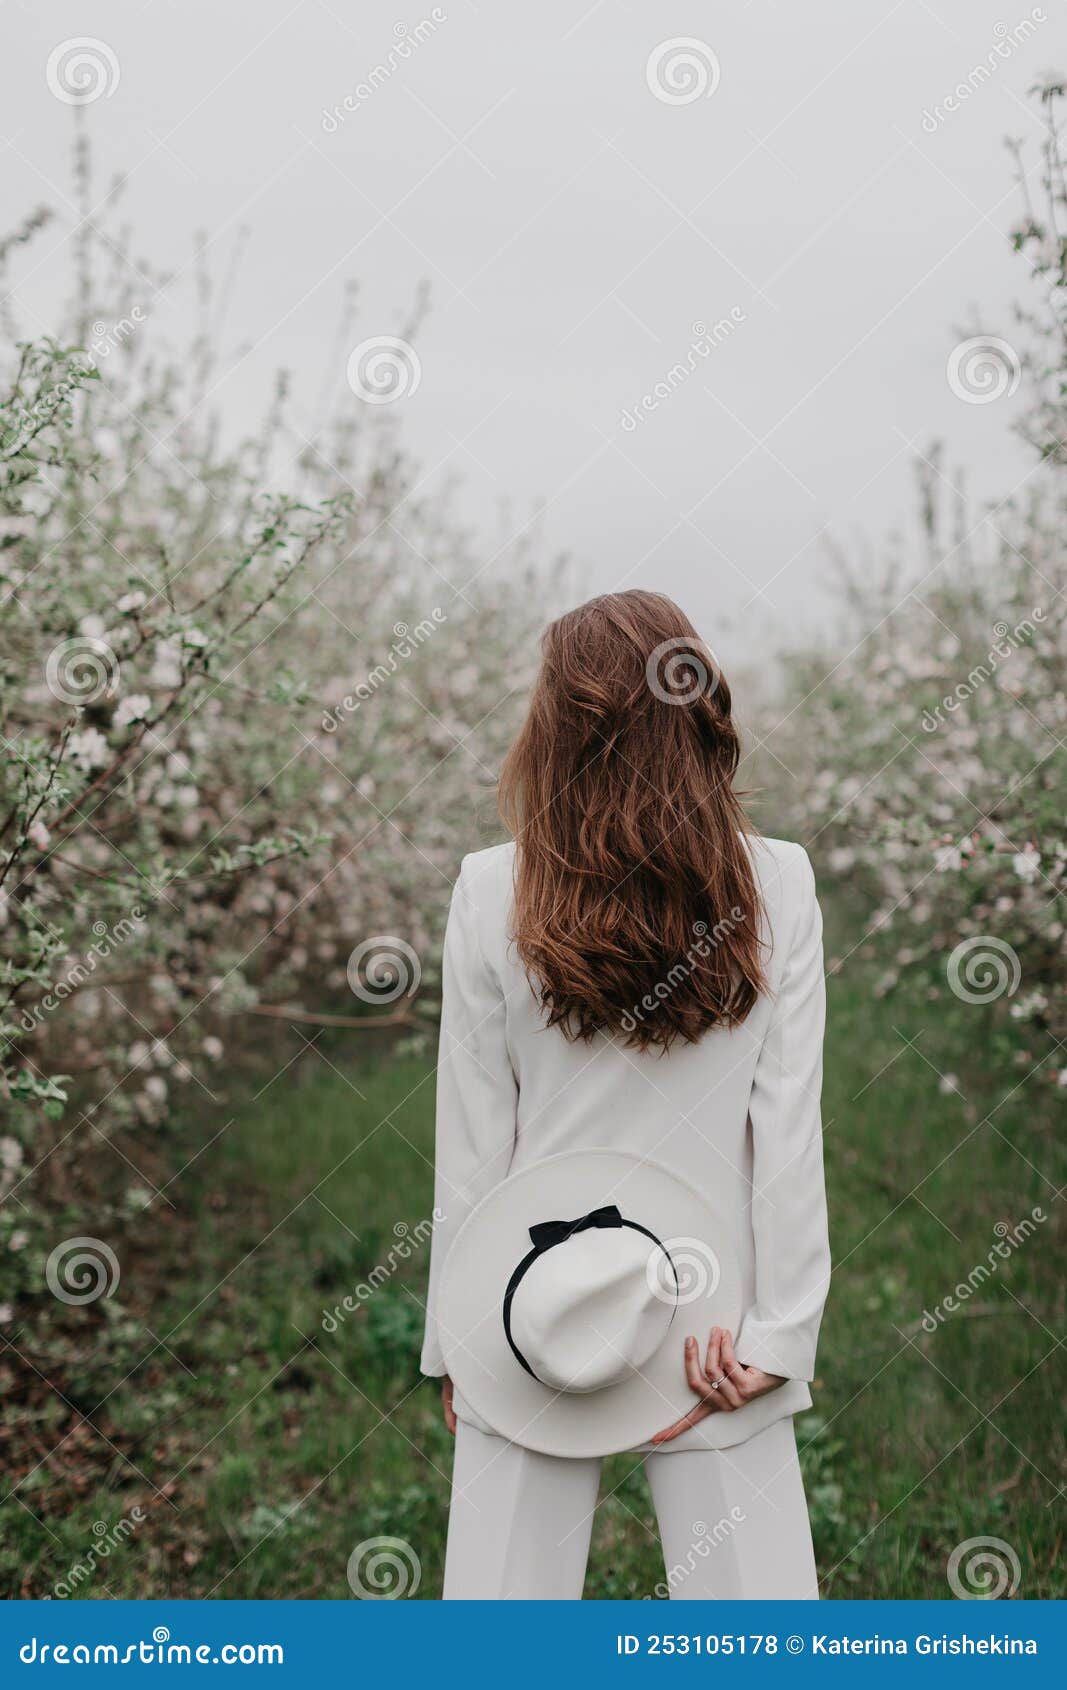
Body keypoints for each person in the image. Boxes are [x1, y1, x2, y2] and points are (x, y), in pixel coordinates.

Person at [420, 589, 830, 1600]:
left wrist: (461, 1343)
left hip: (529, 1297)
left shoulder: (486, 890)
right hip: (715, 1325)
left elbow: (473, 1143)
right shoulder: (776, 883)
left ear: (552, 728)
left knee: (497, 1639)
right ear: (694, 709)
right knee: (759, 1641)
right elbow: (784, 1131)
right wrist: (778, 1335)